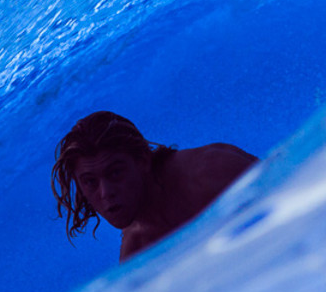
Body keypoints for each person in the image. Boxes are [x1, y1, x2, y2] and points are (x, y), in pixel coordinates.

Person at [52, 111, 258, 262]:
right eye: (90, 182)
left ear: (142, 160)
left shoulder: (211, 171)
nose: (106, 193)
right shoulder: (138, 251)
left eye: (115, 173)